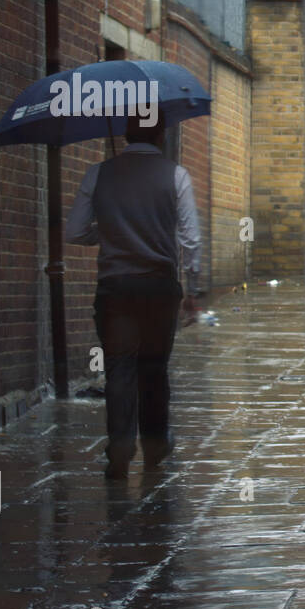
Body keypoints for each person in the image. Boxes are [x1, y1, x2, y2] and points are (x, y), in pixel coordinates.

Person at [65, 117, 201, 479]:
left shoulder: (97, 173)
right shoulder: (176, 175)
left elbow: (75, 231)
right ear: (161, 133)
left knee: (119, 369)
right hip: (159, 287)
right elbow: (190, 238)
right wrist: (193, 289)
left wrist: (108, 230)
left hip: (116, 288)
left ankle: (120, 446)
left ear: (126, 133)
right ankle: (155, 445)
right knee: (153, 367)